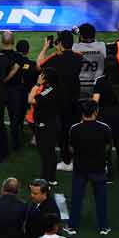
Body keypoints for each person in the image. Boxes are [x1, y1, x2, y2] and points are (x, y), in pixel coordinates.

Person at [67, 100, 112, 235]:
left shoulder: (74, 128)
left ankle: (72, 227)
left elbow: (71, 148)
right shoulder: (104, 128)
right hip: (98, 168)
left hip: (80, 169)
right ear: (96, 112)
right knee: (101, 199)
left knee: (76, 199)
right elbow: (108, 146)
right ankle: (103, 227)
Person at [38, 31, 81, 171]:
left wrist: (46, 47)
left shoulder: (56, 59)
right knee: (74, 129)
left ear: (60, 44)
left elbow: (39, 65)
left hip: (59, 100)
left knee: (62, 132)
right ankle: (77, 159)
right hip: (75, 99)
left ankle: (66, 161)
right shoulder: (78, 58)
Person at [91, 55, 119, 178]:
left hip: (104, 117)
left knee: (105, 145)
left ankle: (108, 173)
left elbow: (95, 101)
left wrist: (92, 116)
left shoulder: (100, 81)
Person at [29, 68, 60, 184]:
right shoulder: (59, 88)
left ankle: (45, 178)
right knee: (50, 152)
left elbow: (30, 99)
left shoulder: (48, 92)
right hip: (53, 122)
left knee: (45, 153)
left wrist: (37, 84)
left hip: (45, 125)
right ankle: (51, 178)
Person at [10, 38, 37, 151]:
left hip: (14, 94)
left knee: (15, 119)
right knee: (31, 116)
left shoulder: (10, 61)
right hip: (28, 95)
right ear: (28, 51)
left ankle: (15, 143)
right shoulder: (32, 65)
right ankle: (36, 137)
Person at [73, 23, 107, 100]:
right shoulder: (101, 46)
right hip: (97, 86)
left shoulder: (75, 48)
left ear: (81, 36)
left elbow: (78, 44)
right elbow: (94, 42)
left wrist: (79, 35)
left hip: (80, 85)